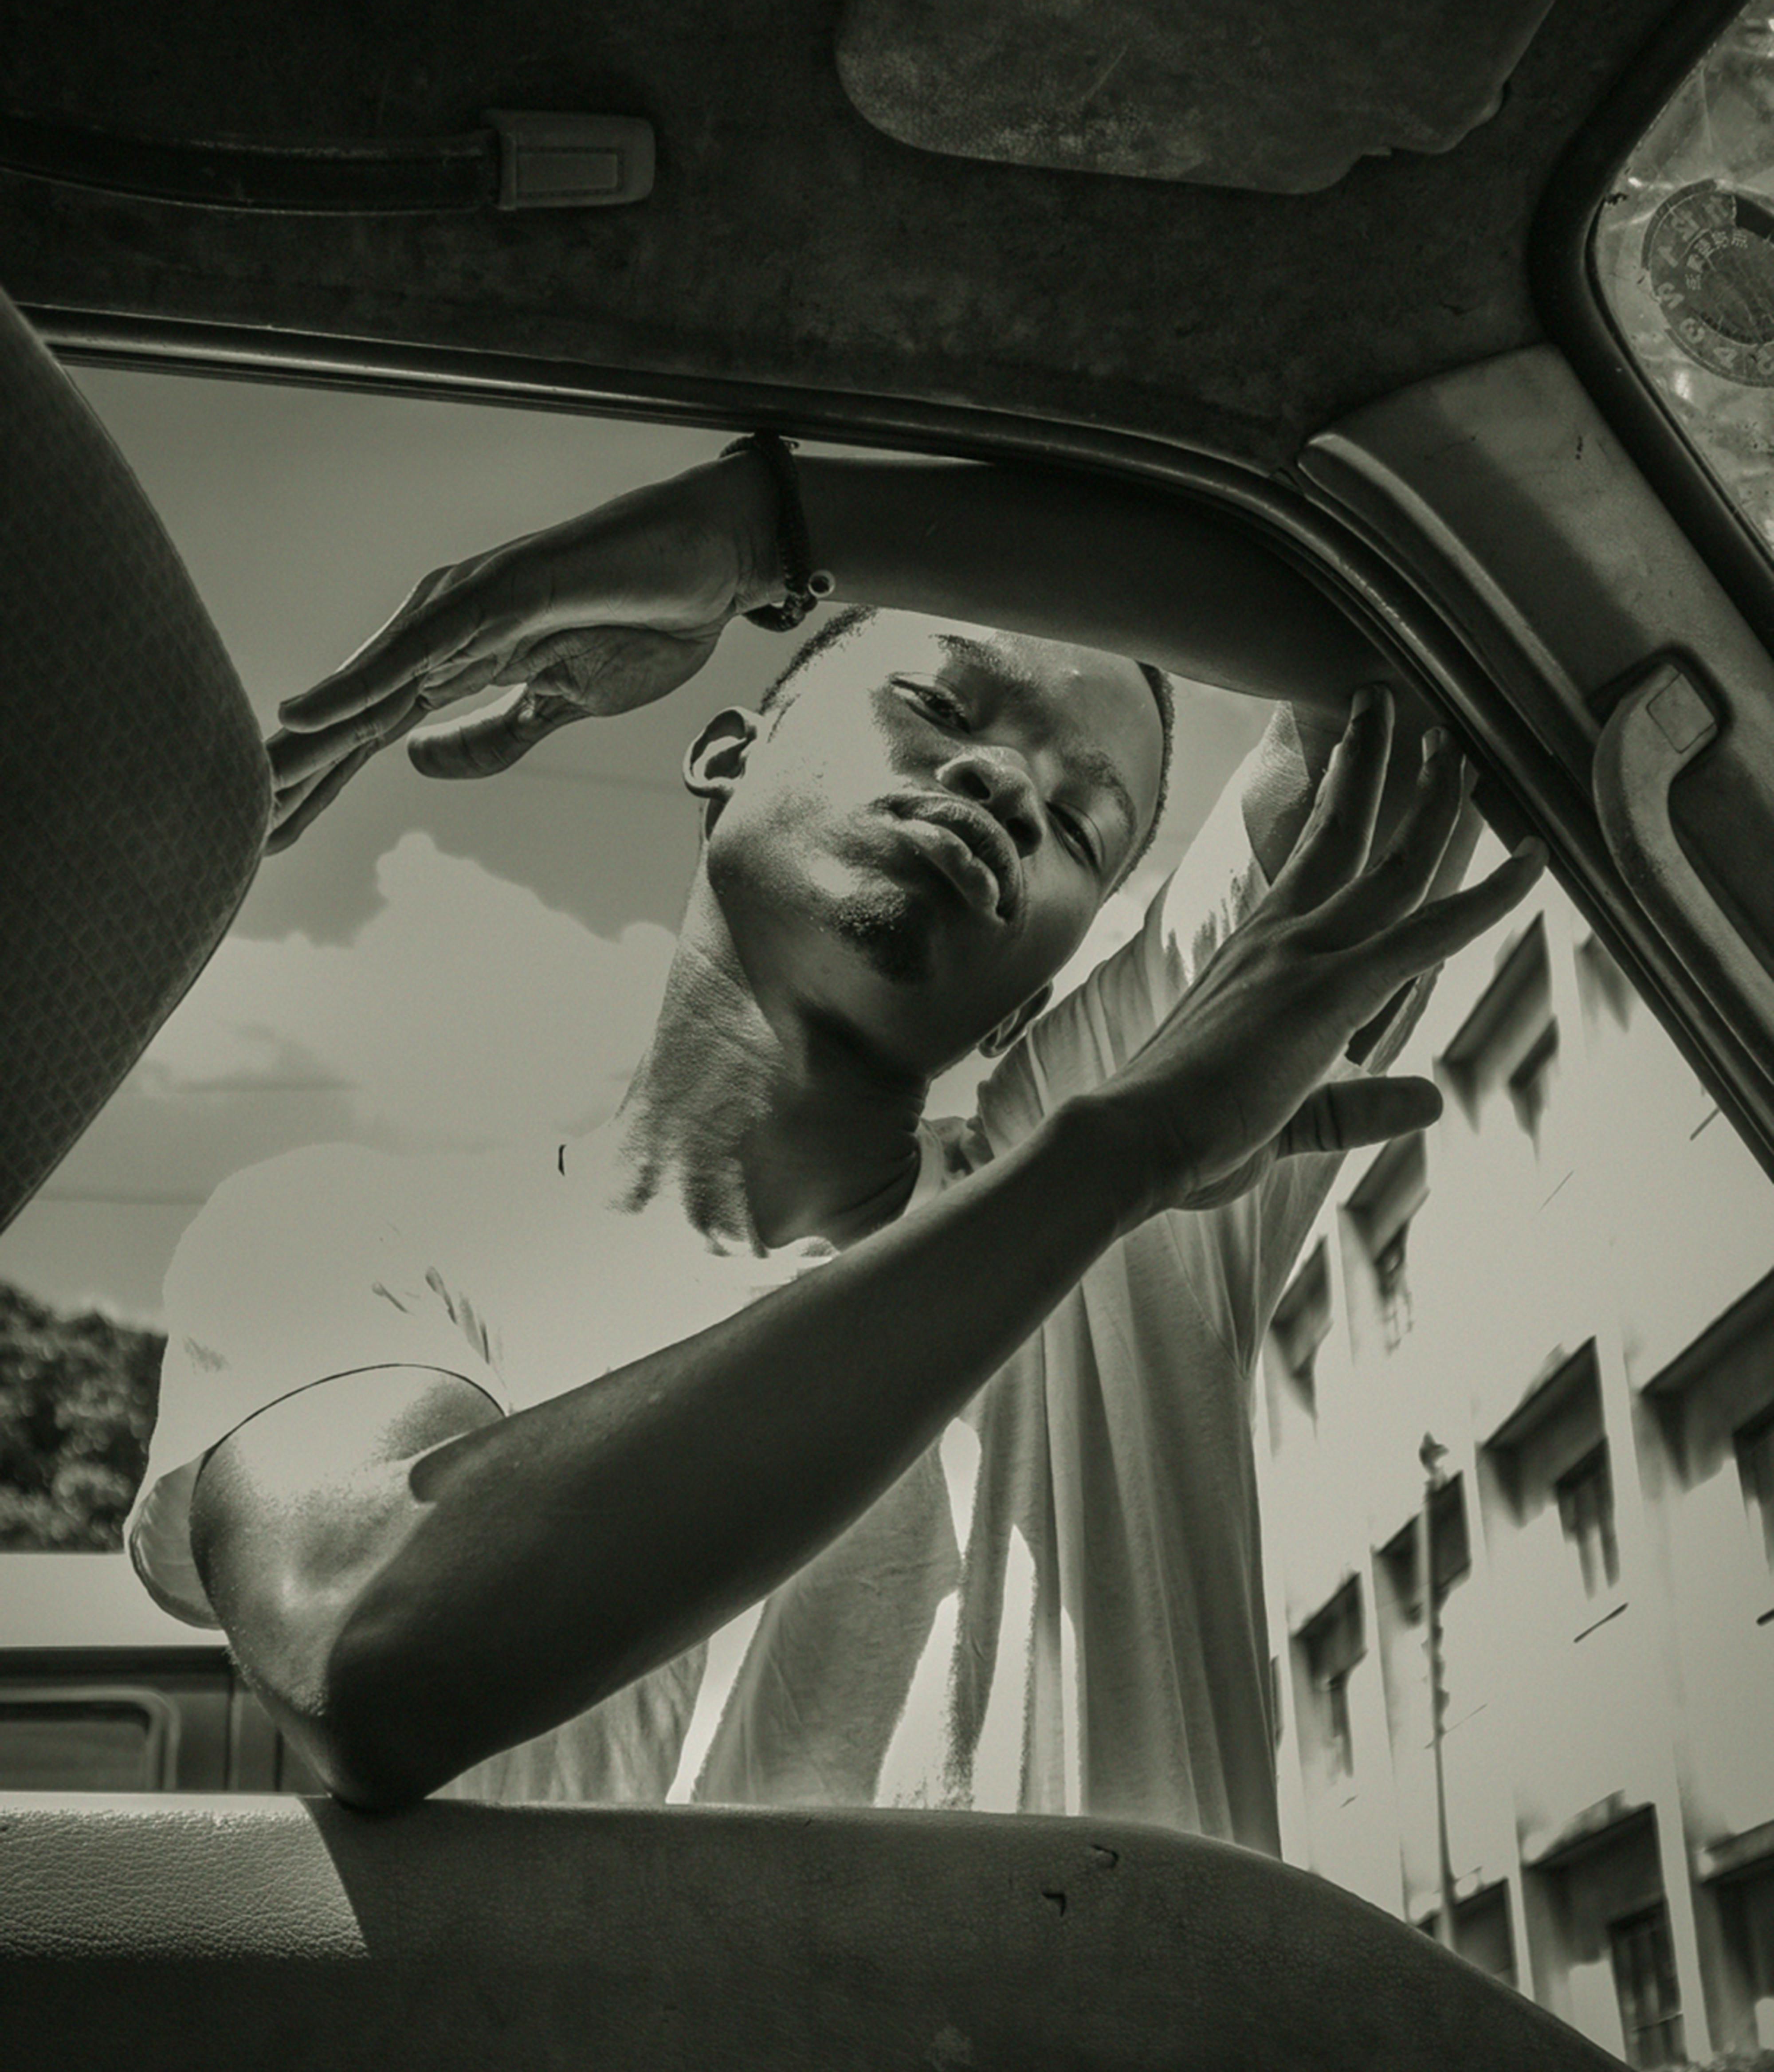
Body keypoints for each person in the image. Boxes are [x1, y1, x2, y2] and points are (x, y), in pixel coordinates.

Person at [127, 440, 1543, 1832]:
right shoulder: (325, 1232)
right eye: (940, 706)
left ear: (1042, 995)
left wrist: (760, 526)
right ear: (724, 755)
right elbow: (365, 1645)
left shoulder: (1134, 1199)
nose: (1003, 790)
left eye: (1078, 824)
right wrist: (1121, 1159)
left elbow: (1423, 627)